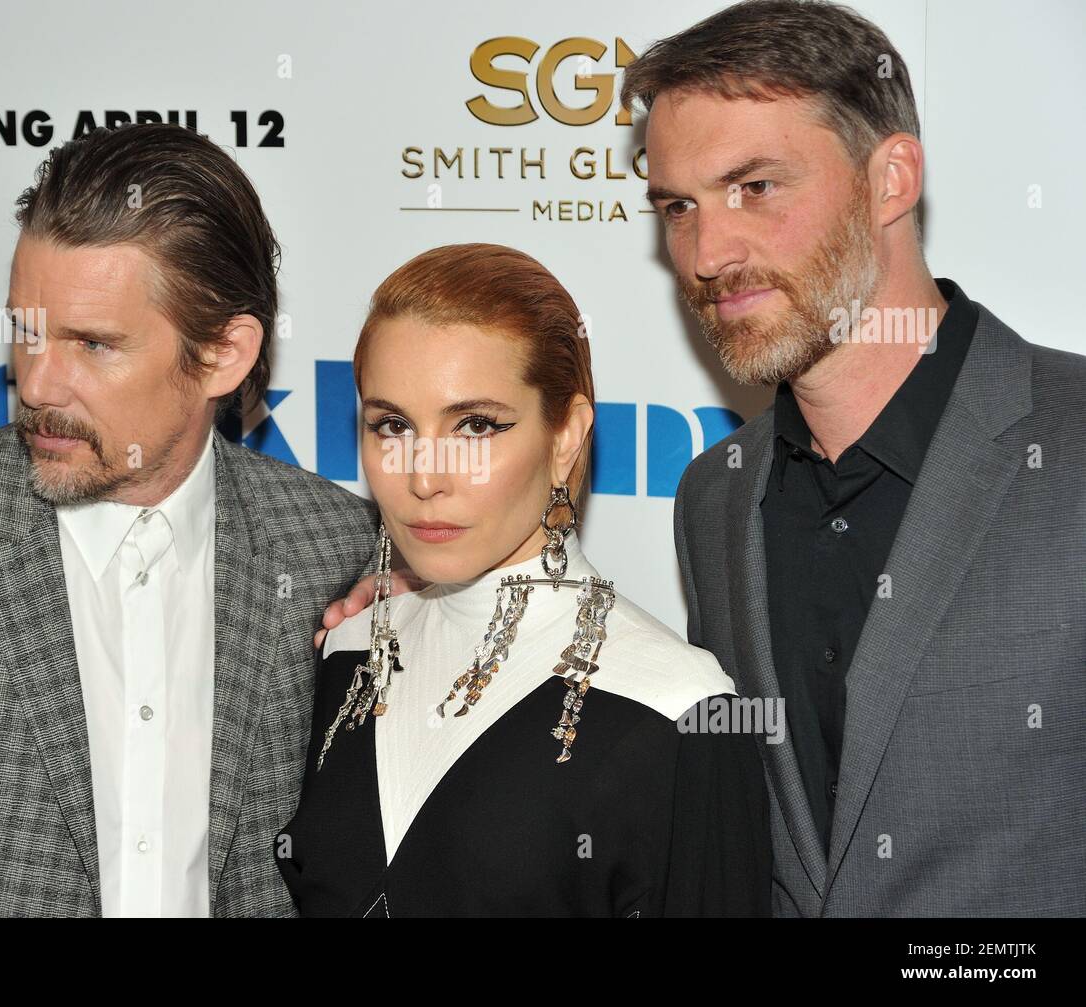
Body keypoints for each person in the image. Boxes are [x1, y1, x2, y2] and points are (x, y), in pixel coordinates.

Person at [0, 123, 377, 917]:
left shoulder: (331, 548)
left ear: (224, 356)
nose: (37, 384)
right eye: (26, 331)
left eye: (93, 344)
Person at [622, 0, 1086, 915]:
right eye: (679, 206)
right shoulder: (714, 496)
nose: (708, 253)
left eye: (755, 187)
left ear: (891, 179)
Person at [278, 243, 770, 916]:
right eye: (391, 424)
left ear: (565, 434)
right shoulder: (349, 651)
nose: (425, 477)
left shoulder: (681, 709)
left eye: (476, 425)